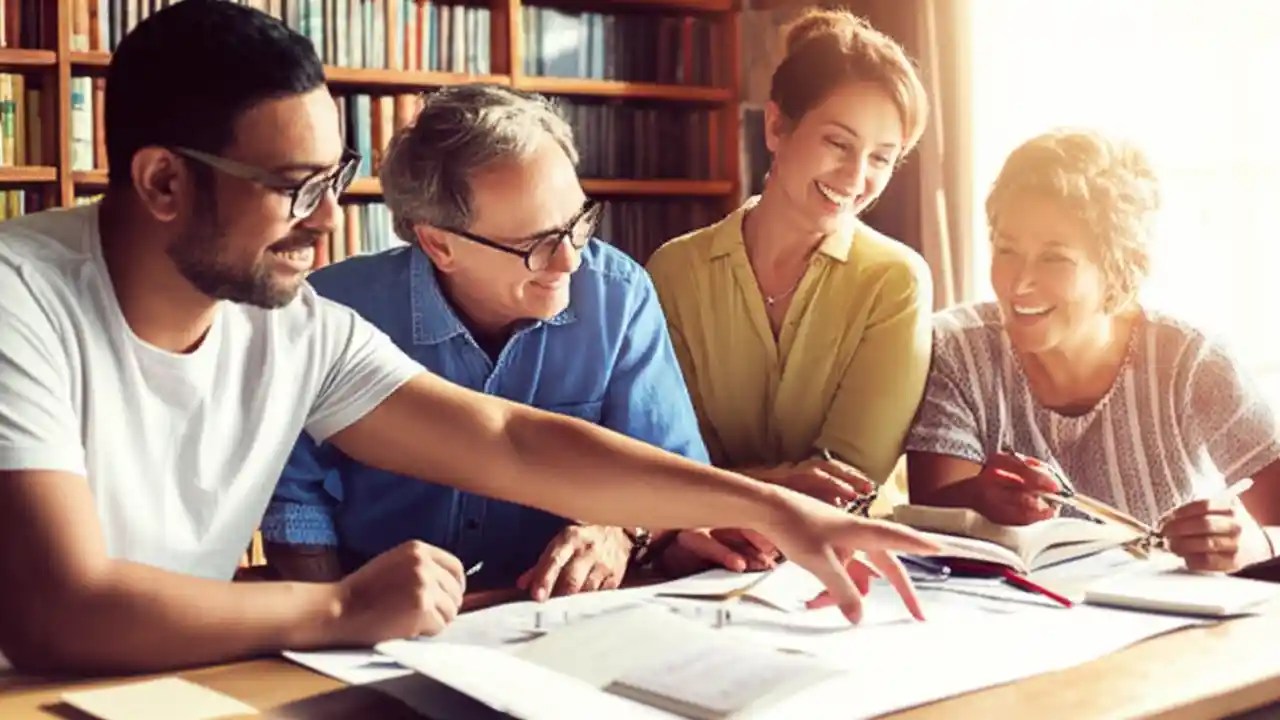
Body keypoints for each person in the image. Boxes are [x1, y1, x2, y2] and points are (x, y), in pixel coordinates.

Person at [0, 0, 937, 674]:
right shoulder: (18, 297)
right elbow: (56, 616)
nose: (326, 223)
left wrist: (776, 510)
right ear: (164, 183)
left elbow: (507, 438)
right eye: (294, 188)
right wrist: (340, 606)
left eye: (337, 179)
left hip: (163, 691)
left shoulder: (289, 322)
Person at [262, 83, 752, 599]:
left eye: (578, 223)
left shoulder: (618, 297)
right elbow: (295, 505)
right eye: (536, 244)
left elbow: (678, 485)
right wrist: (340, 621)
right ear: (438, 243)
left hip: (550, 612)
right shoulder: (333, 311)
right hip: (379, 608)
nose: (572, 260)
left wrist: (620, 530)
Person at [905, 128, 1280, 573]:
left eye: (1054, 258)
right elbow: (932, 527)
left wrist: (1257, 544)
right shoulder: (955, 351)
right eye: (1006, 249)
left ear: (1117, 269)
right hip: (1011, 625)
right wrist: (977, 498)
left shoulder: (1192, 363)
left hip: (1170, 630)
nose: (1019, 282)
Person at [645, 8, 933, 571]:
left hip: (854, 564)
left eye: (881, 158)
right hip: (703, 562)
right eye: (838, 143)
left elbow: (846, 485)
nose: (856, 178)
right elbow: (660, 466)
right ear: (776, 127)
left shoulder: (896, 280)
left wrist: (719, 490)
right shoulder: (674, 271)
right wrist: (773, 484)